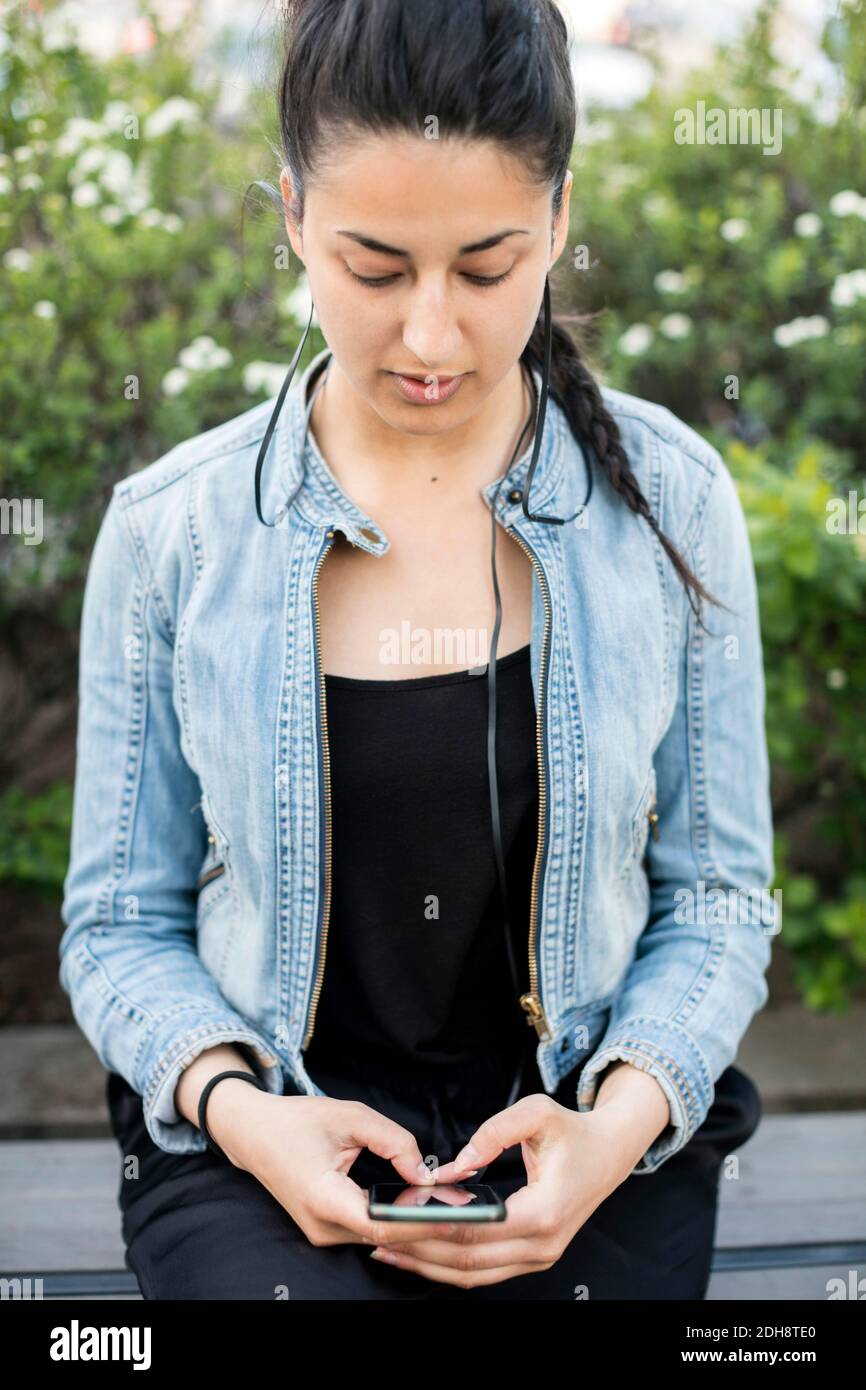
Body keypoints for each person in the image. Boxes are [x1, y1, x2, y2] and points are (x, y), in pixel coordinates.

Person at [60, 0, 775, 1300]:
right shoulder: (173, 533)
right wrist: (240, 1110)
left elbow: (718, 896)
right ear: (290, 215)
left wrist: (610, 1127)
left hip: (588, 1124)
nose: (431, 336)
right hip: (258, 1138)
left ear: (557, 217)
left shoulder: (673, 503)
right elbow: (118, 922)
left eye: (488, 267)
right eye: (375, 269)